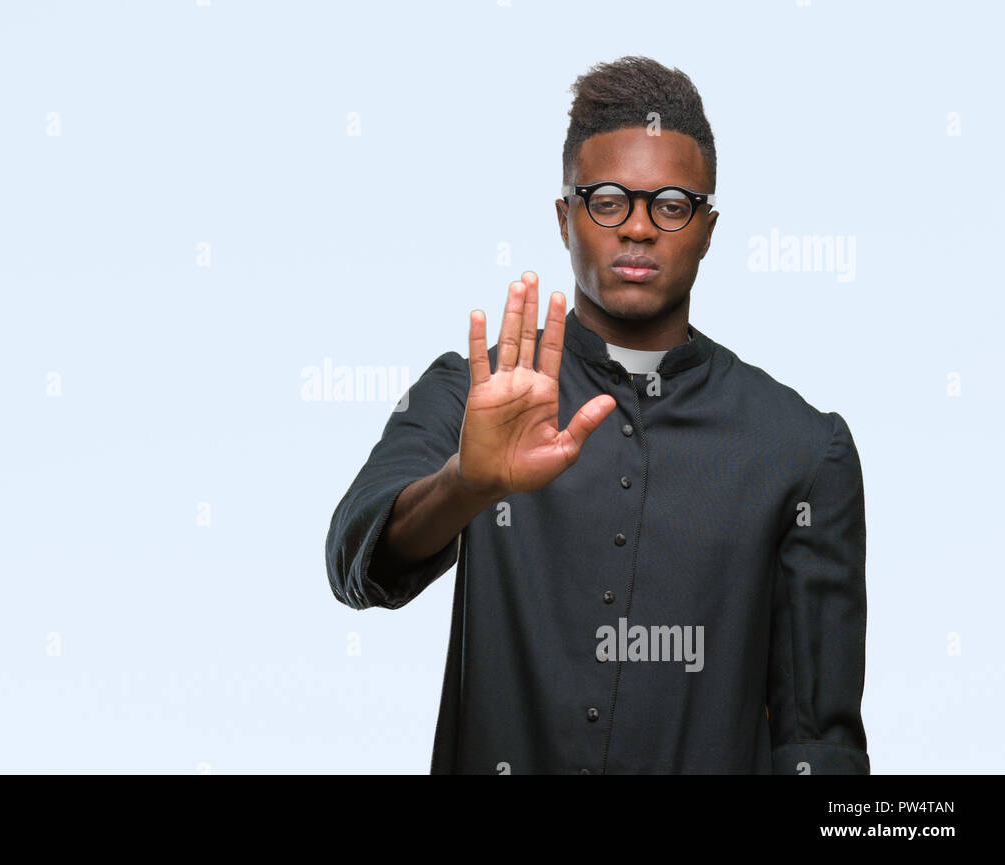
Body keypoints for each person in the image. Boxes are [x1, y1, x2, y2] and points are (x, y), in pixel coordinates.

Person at [324, 56, 870, 774]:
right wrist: (465, 484)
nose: (638, 228)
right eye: (607, 199)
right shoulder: (471, 395)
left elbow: (819, 746)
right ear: (564, 217)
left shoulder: (803, 449)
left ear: (707, 227)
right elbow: (354, 564)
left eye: (671, 204)